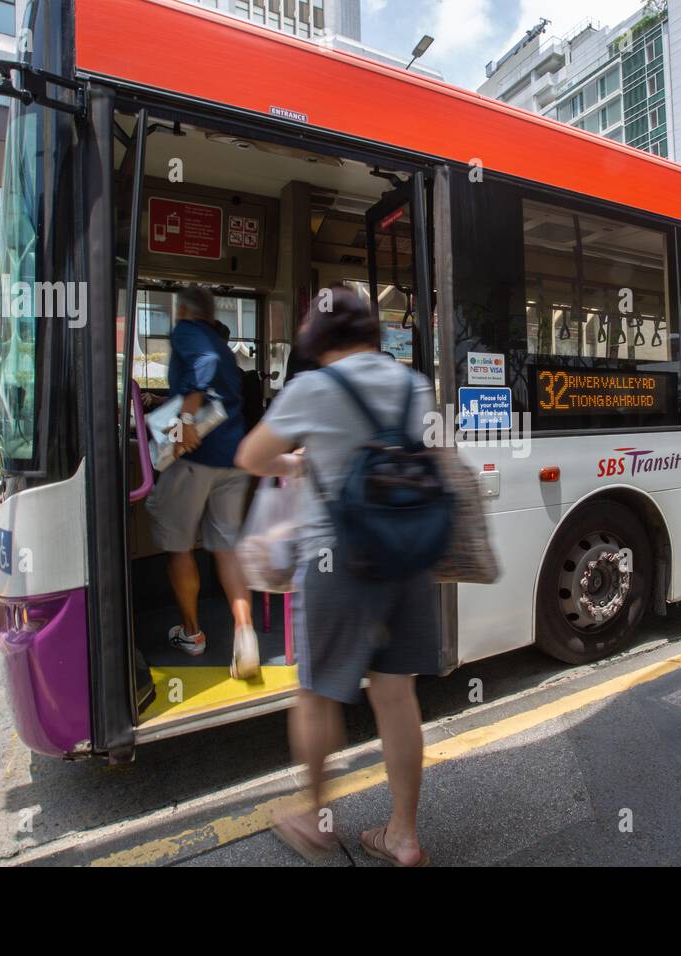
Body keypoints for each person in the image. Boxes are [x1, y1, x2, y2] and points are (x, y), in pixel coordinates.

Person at [235, 287, 435, 866]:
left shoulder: (311, 389)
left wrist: (296, 462)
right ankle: (402, 835)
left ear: (317, 340)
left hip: (337, 558)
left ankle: (313, 817)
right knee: (397, 693)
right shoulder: (413, 385)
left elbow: (251, 457)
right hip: (407, 552)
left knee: (318, 692)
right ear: (372, 332)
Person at [146, 286, 260, 677]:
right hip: (233, 458)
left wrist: (186, 419)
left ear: (184, 309)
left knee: (179, 546)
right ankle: (245, 636)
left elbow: (202, 364)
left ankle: (192, 634)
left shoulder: (188, 331)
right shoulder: (221, 341)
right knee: (227, 548)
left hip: (195, 459)